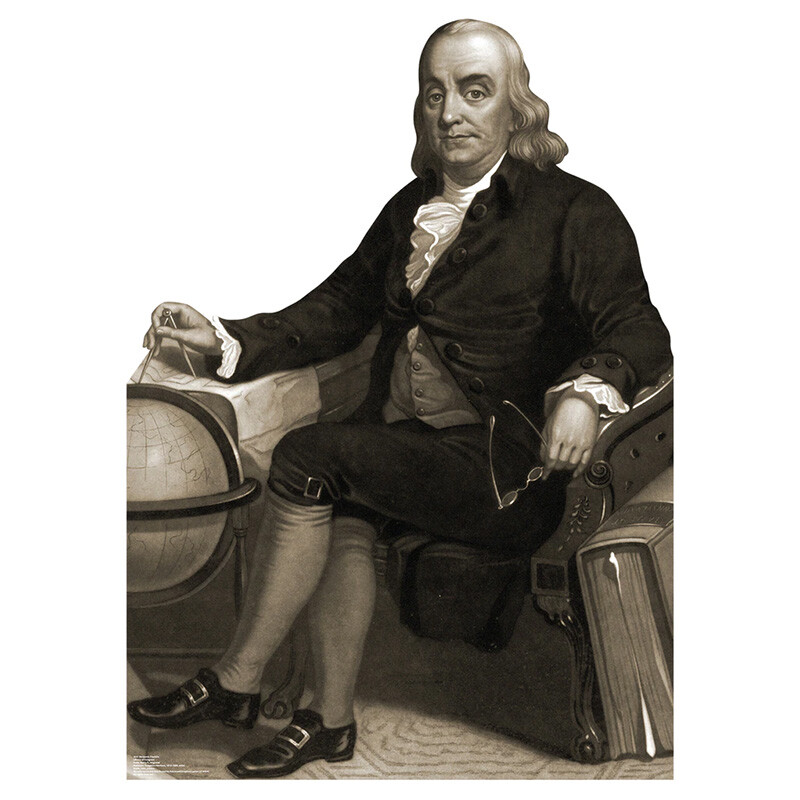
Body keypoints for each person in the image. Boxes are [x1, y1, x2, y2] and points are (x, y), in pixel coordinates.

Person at [128, 19, 672, 778]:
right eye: (434, 94)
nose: (450, 112)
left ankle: (237, 679)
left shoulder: (576, 211)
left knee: (309, 458)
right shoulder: (408, 209)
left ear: (517, 105)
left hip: (507, 471)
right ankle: (328, 721)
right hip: (410, 451)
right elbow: (335, 310)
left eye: (474, 92)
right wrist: (224, 337)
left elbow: (639, 331)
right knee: (344, 504)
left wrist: (586, 391)